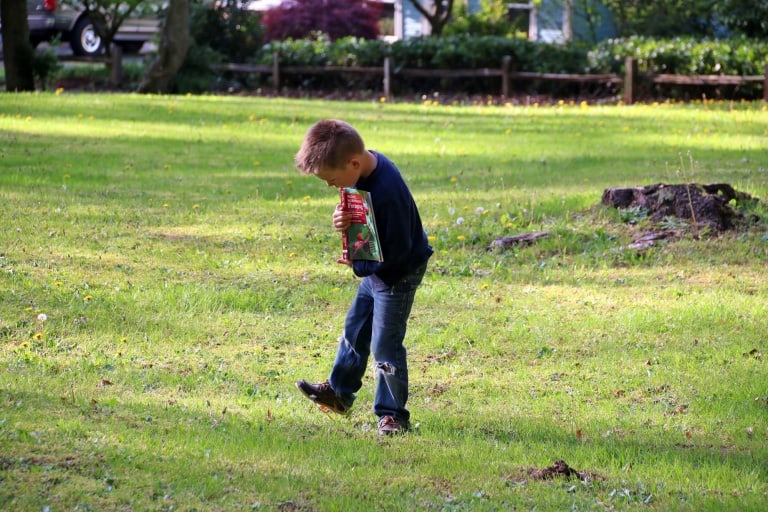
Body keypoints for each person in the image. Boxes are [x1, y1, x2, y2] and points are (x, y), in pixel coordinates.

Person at [294, 119, 433, 436]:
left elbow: (395, 253)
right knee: (355, 330)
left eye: (331, 179)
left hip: (398, 273)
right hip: (379, 270)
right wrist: (341, 218)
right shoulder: (363, 169)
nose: (331, 186)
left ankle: (393, 414)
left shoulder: (388, 194)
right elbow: (362, 215)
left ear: (353, 163)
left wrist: (359, 267)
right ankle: (339, 394)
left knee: (386, 345)